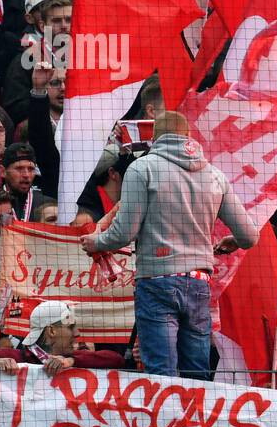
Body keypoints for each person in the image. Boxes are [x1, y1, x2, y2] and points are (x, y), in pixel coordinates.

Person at [82, 111, 257, 379]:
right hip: (199, 282)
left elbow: (123, 233)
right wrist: (233, 242)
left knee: (160, 375)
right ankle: (192, 421)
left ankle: (164, 421)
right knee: (196, 374)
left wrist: (97, 242)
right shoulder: (214, 176)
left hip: (156, 280)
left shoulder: (143, 168)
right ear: (188, 137)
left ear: (155, 138)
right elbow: (249, 236)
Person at [0, 300, 126, 374]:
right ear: (52, 331)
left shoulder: (74, 357)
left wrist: (72, 361)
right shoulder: (11, 356)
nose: (77, 333)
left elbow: (116, 360)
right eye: (70, 327)